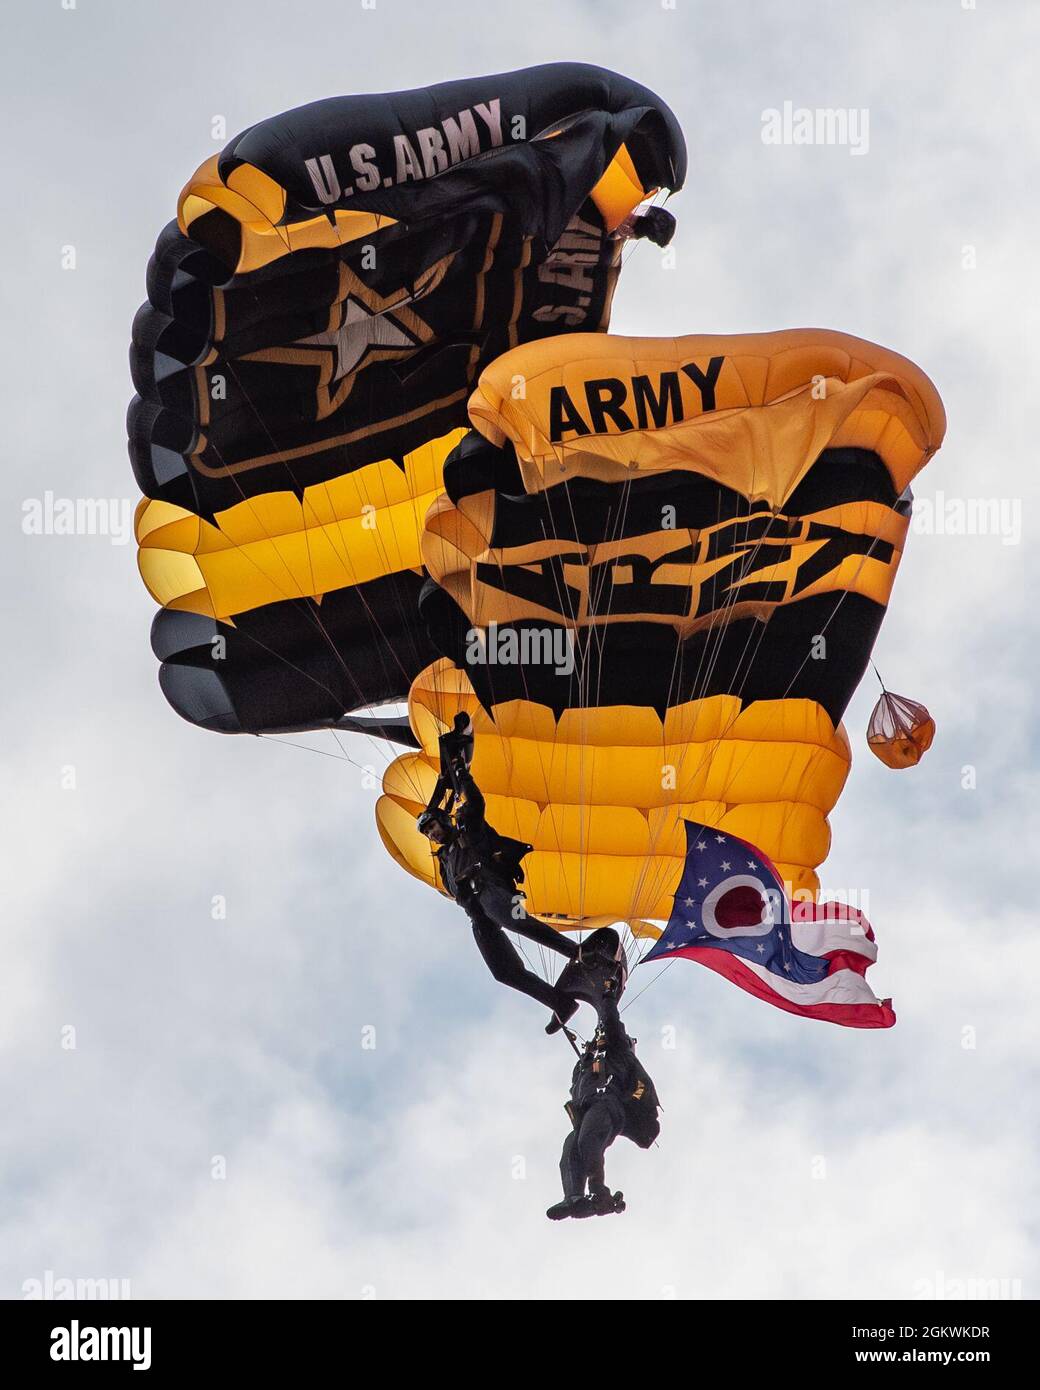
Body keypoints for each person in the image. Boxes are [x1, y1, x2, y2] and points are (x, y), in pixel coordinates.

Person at [417, 720, 579, 1023]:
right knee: (502, 970)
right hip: (476, 912)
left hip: (493, 892)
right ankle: (560, 1003)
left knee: (515, 921)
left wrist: (461, 772)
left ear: (446, 821)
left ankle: (579, 954)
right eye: (428, 833)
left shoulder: (469, 828)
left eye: (435, 827)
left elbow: (475, 802)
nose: (433, 835)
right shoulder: (444, 860)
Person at [545, 929, 661, 1220]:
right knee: (571, 1147)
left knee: (587, 1142)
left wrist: (607, 996)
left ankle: (598, 1191)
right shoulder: (584, 1065)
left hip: (609, 1106)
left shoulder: (620, 1051)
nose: (595, 1042)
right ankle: (573, 1197)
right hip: (588, 1109)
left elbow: (611, 1022)